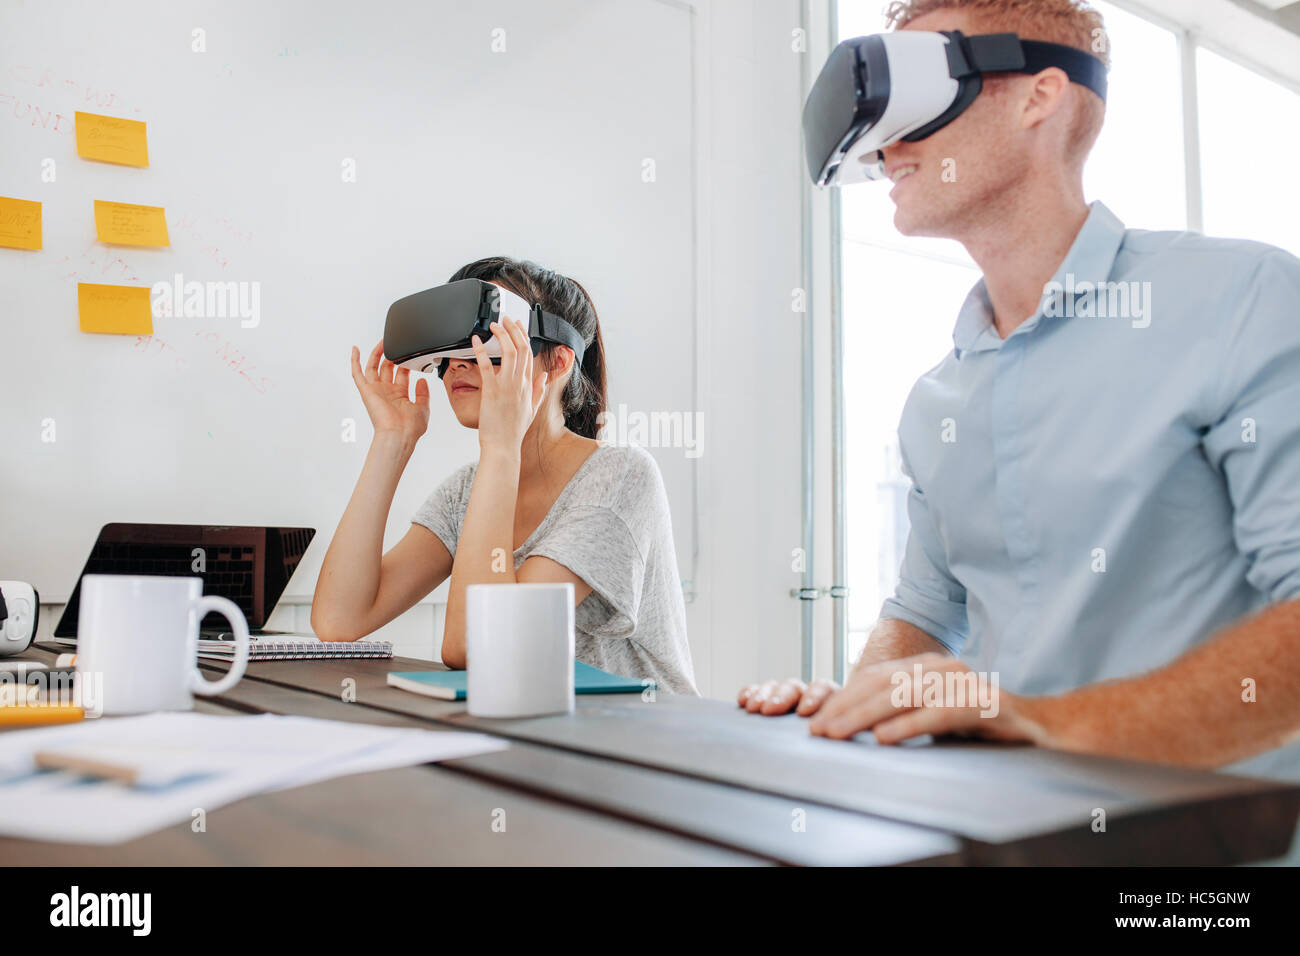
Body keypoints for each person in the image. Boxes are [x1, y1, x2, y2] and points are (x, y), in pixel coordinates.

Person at [740, 0, 1300, 782]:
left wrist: (1047, 724)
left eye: (916, 93)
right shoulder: (937, 400)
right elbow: (925, 614)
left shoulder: (1245, 299)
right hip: (1003, 835)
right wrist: (852, 715)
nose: (885, 143)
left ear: (1039, 96)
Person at [312, 256, 699, 696]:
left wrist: (500, 448)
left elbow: (476, 647)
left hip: (636, 747)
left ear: (557, 361)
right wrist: (392, 438)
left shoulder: (620, 476)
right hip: (536, 735)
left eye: (485, 342)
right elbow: (338, 620)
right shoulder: (466, 490)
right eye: (450, 350)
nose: (458, 364)